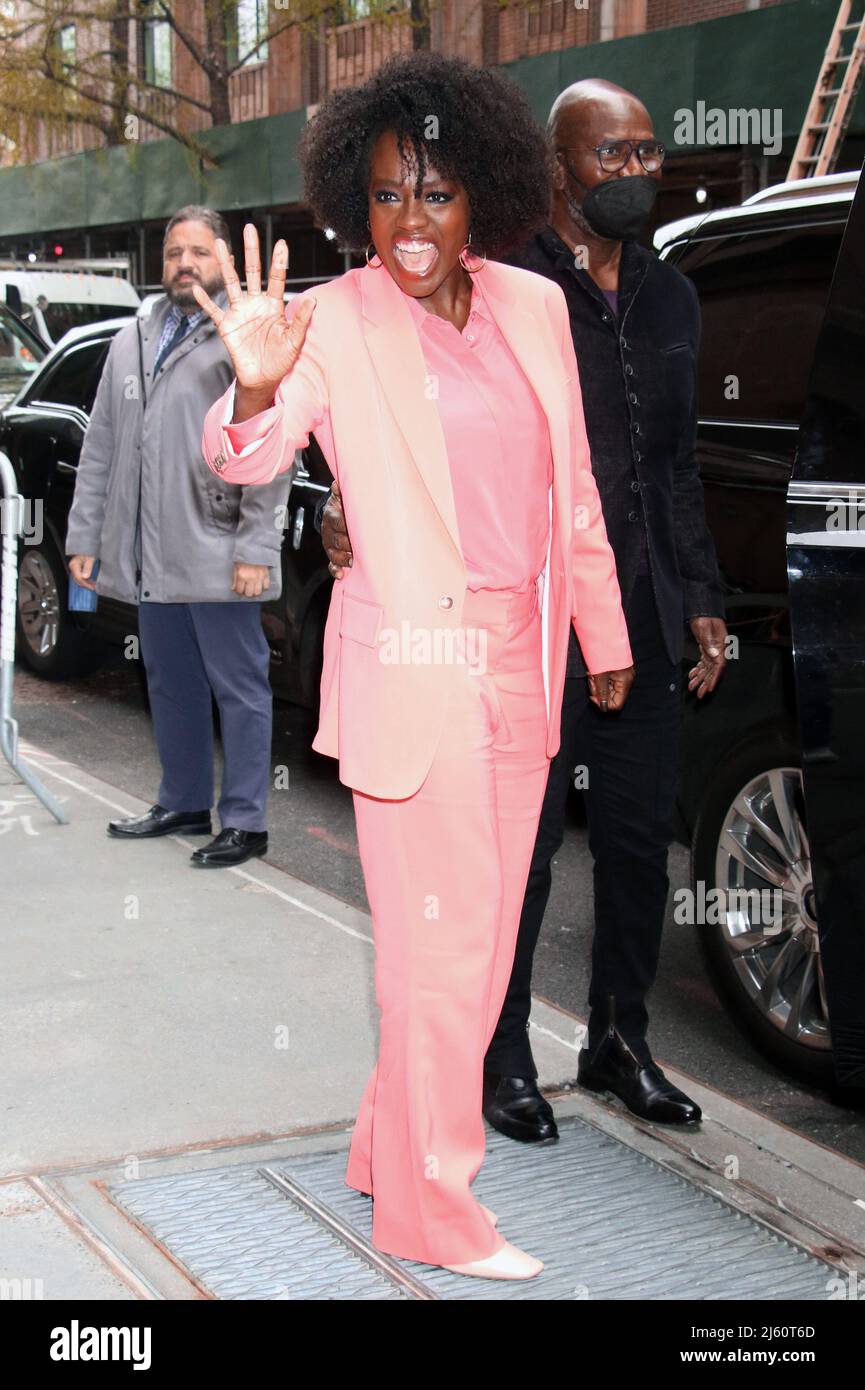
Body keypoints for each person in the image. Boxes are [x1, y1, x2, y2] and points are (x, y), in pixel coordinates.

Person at [193, 52, 633, 1280]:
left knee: (484, 950)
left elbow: (576, 492)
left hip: (520, 664)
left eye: (434, 194)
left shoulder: (536, 306)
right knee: (440, 955)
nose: (410, 222)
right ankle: (434, 1211)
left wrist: (603, 637)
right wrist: (252, 381)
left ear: (481, 193)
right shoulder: (328, 320)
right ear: (355, 200)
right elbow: (247, 456)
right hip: (413, 672)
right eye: (386, 196)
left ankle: (389, 1147)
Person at [321, 79, 728, 1138]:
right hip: (511, 632)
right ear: (552, 167)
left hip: (631, 616)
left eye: (648, 154)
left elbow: (677, 468)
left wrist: (700, 600)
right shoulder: (497, 283)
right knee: (516, 857)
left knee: (638, 845)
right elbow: (399, 421)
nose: (633, 173)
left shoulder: (673, 296)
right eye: (611, 155)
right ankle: (500, 1060)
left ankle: (618, 1042)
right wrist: (341, 503)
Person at [66, 206, 290, 868]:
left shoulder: (246, 335)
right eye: (172, 254)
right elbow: (101, 441)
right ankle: (184, 800)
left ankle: (245, 821)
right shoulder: (135, 336)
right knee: (170, 679)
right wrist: (88, 535)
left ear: (223, 261)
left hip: (219, 548)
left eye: (198, 251)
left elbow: (275, 447)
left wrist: (255, 548)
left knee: (239, 686)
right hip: (150, 552)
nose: (183, 264)